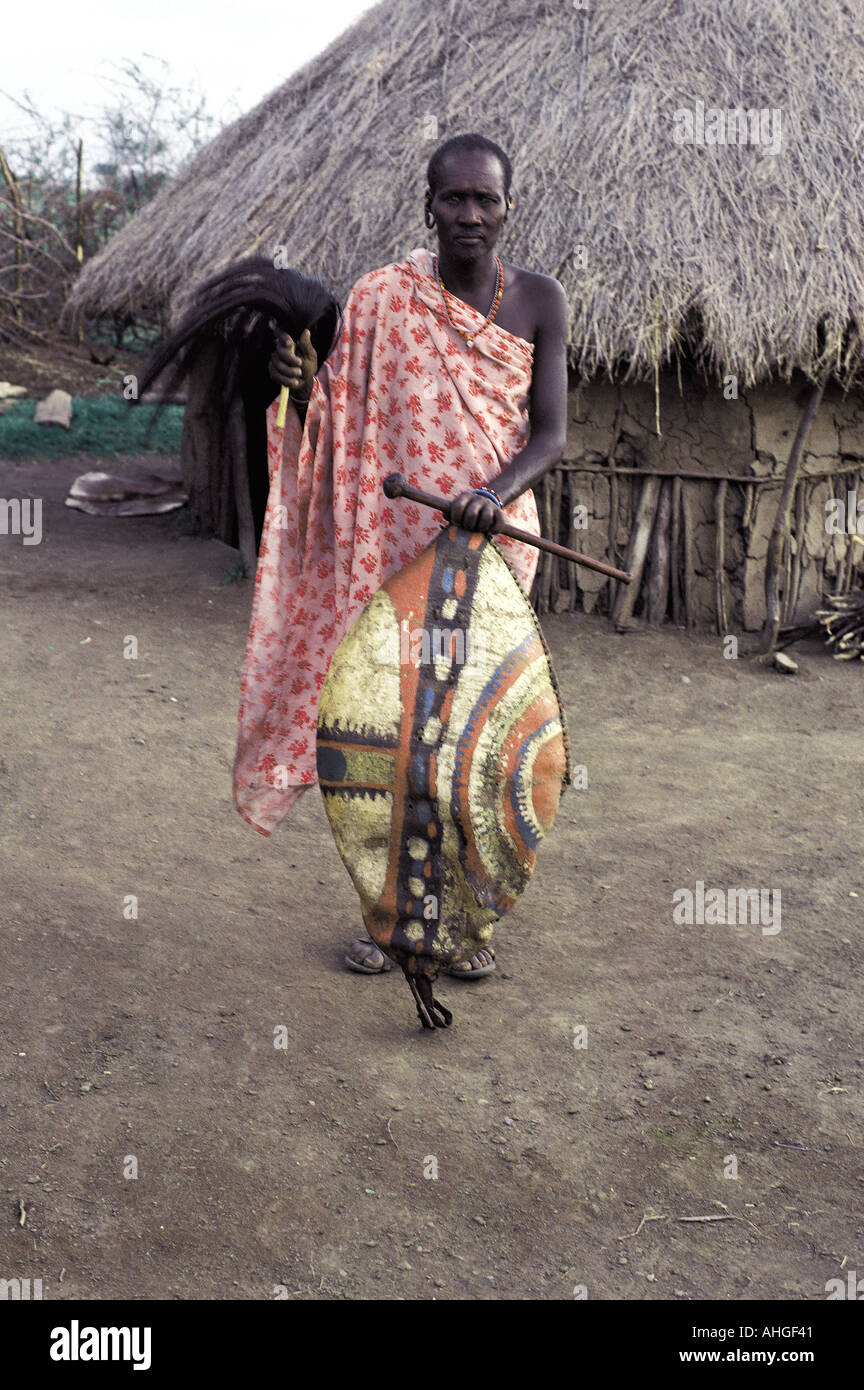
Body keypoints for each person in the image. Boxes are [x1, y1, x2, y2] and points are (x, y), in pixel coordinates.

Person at [233, 132, 568, 980]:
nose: (468, 214)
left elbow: (552, 432)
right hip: (395, 550)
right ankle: (388, 917)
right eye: (452, 198)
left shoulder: (538, 301)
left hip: (492, 551)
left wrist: (492, 493)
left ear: (508, 208)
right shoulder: (384, 297)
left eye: (484, 199)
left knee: (475, 740)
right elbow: (340, 417)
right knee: (394, 738)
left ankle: (466, 920)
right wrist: (303, 383)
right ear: (428, 206)